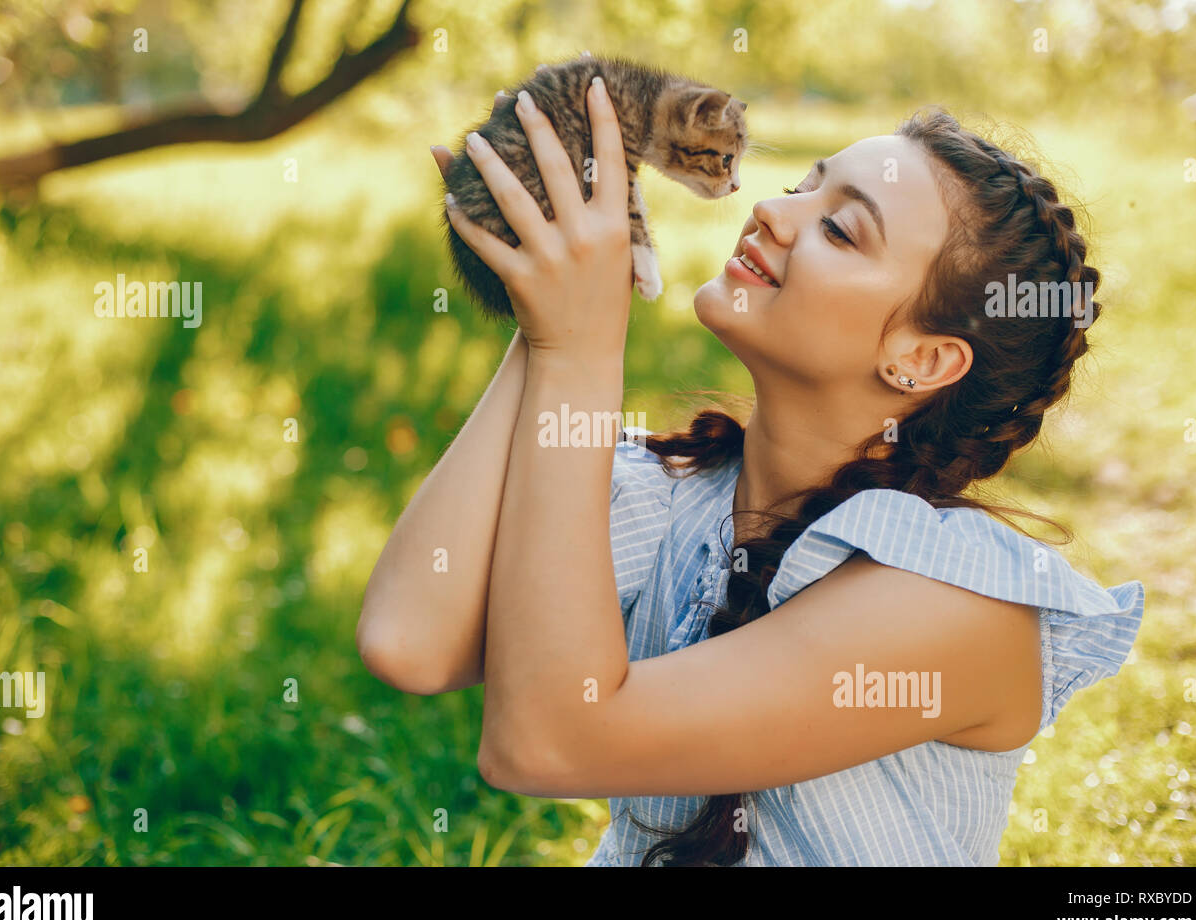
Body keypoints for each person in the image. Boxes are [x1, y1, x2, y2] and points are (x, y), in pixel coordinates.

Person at [358, 79, 1145, 866]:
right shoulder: (675, 495)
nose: (773, 210)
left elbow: (546, 743)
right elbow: (410, 641)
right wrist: (541, 316)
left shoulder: (953, 604)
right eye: (801, 185)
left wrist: (580, 350)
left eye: (838, 228)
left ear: (923, 359)